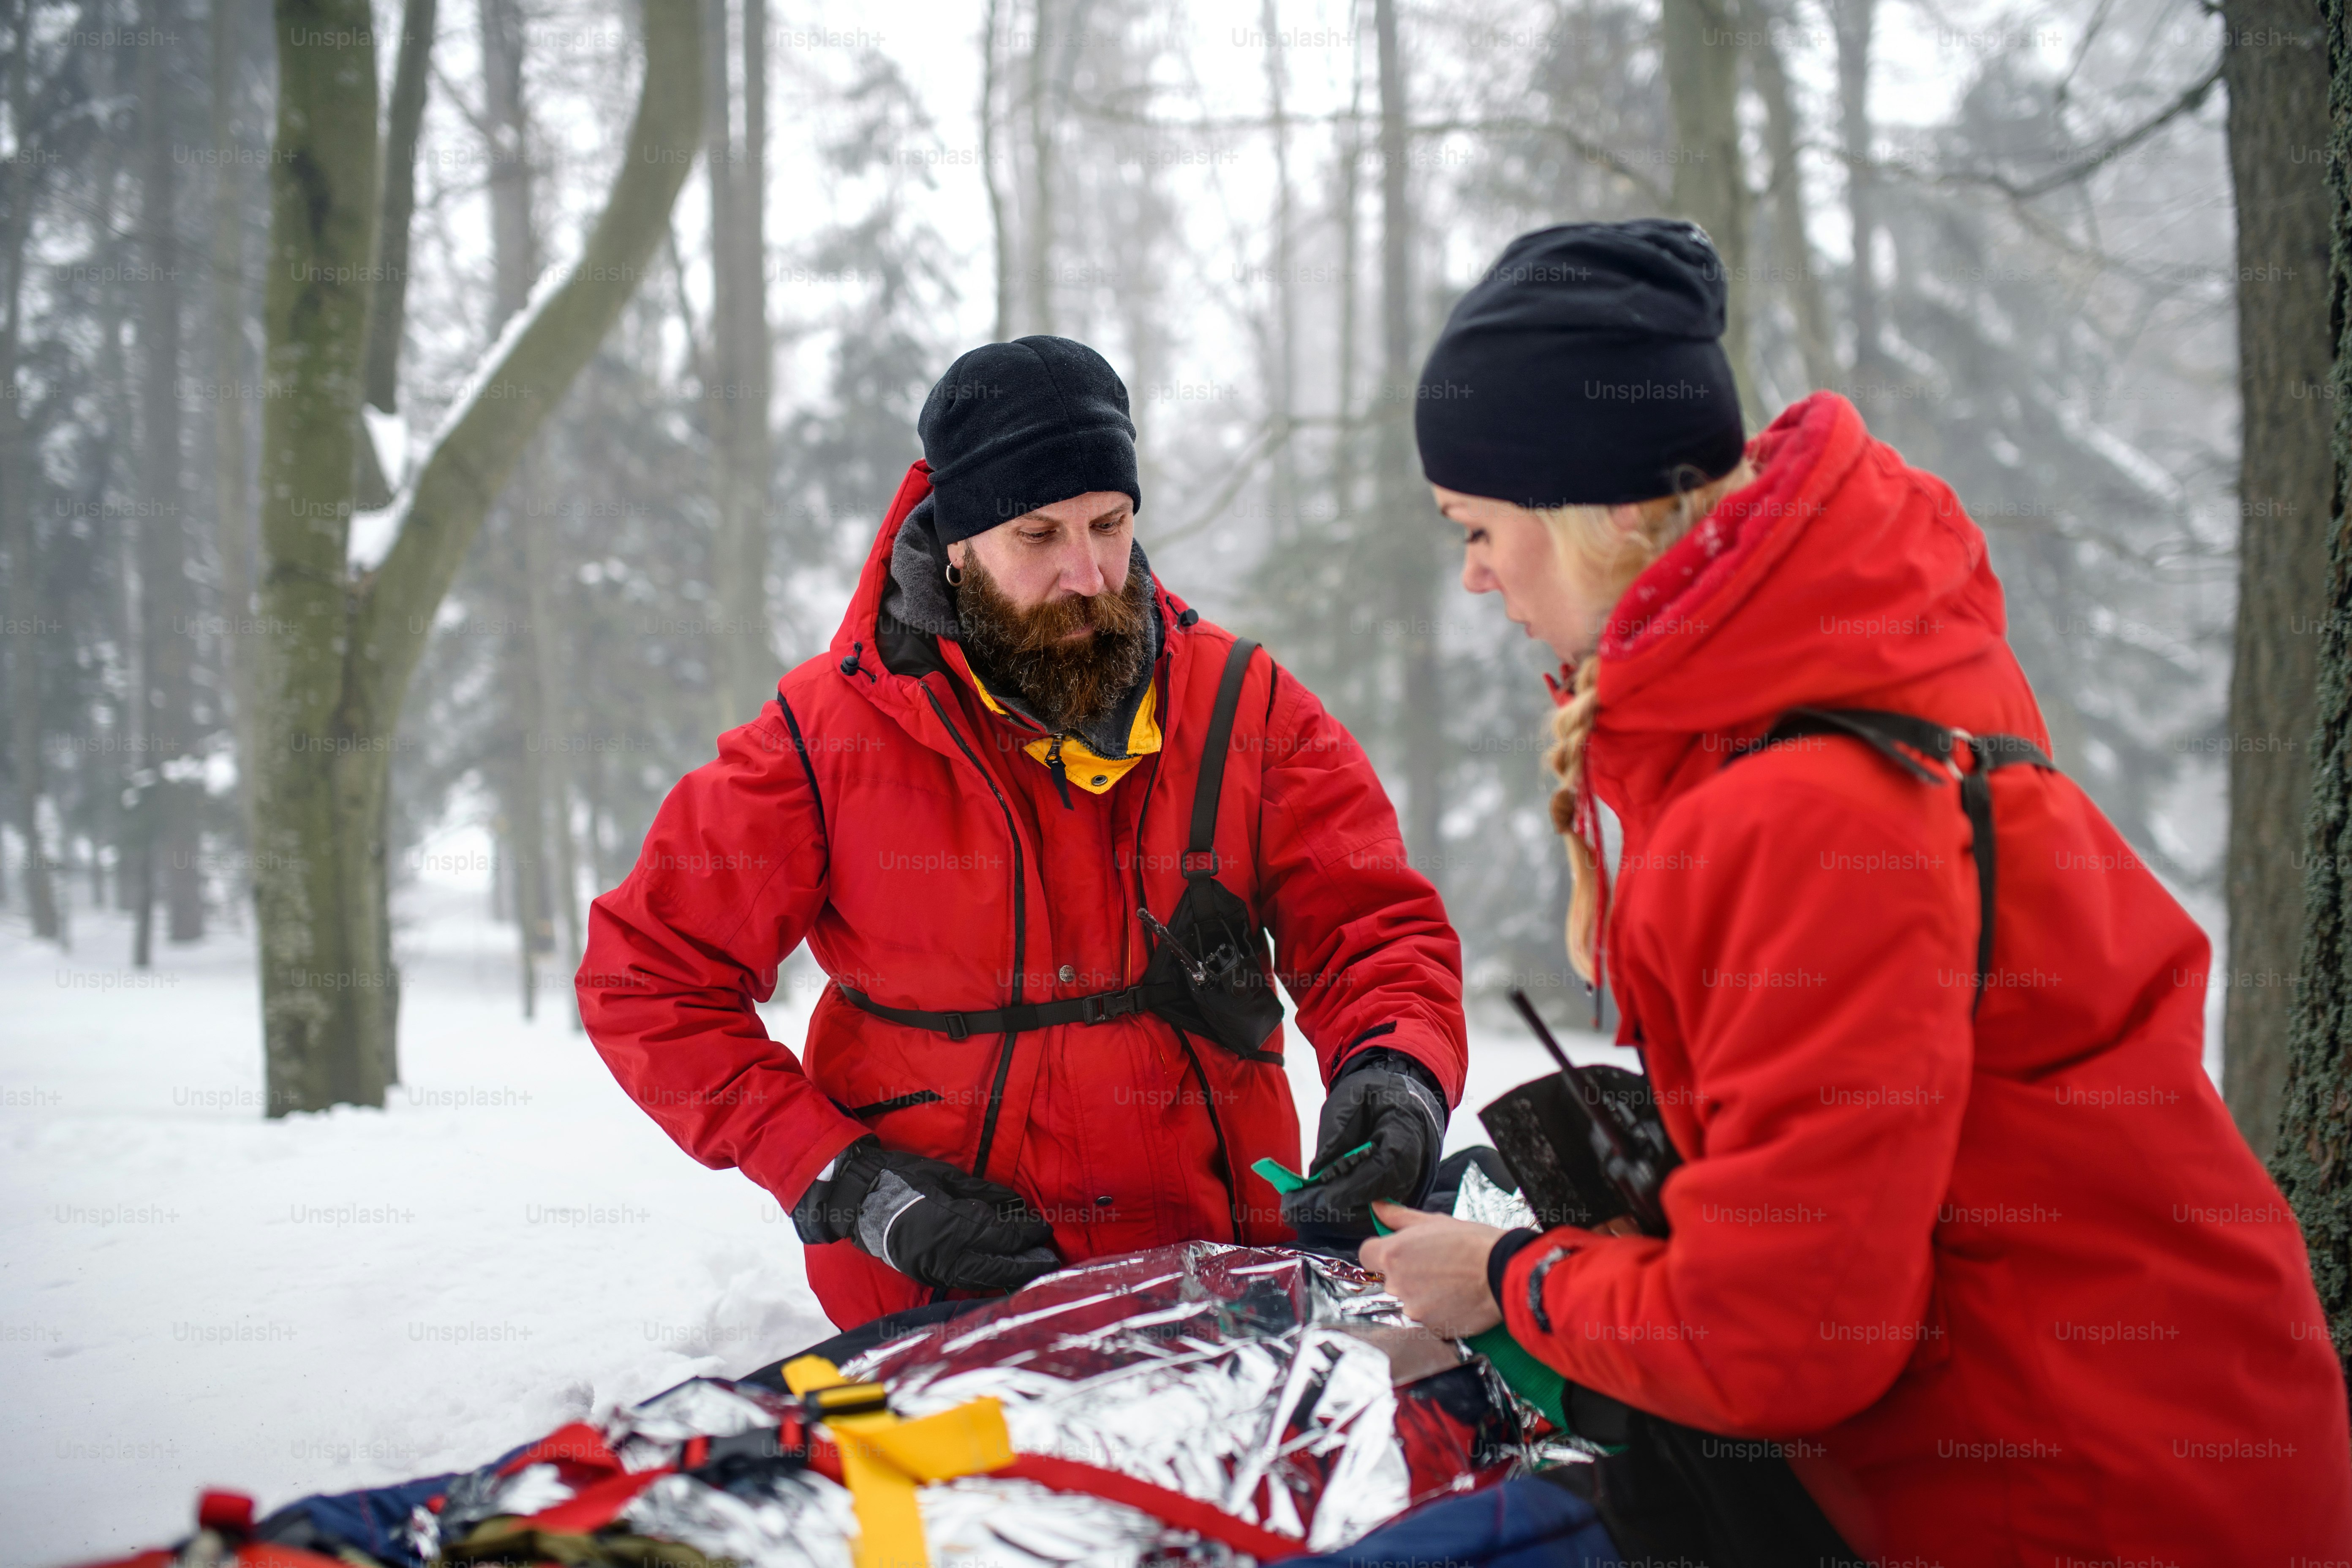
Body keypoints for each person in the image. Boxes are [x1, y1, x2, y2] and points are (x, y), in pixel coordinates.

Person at [1361, 220, 2352, 1562]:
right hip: (2121, 1427)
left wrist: (1511, 1283)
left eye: (1479, 530)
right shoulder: (1824, 689)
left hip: (2087, 1488)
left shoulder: (1804, 804)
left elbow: (1789, 1338)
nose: (1475, 575)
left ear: (1593, 517)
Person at [579, 335, 1467, 1329]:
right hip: (944, 1310)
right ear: (955, 545)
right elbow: (646, 976)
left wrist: (1397, 1069)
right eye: (1038, 534)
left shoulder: (1243, 704)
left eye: (1110, 523)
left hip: (1220, 1289)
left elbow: (1371, 928)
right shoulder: (825, 741)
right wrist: (845, 1179)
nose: (1087, 572)